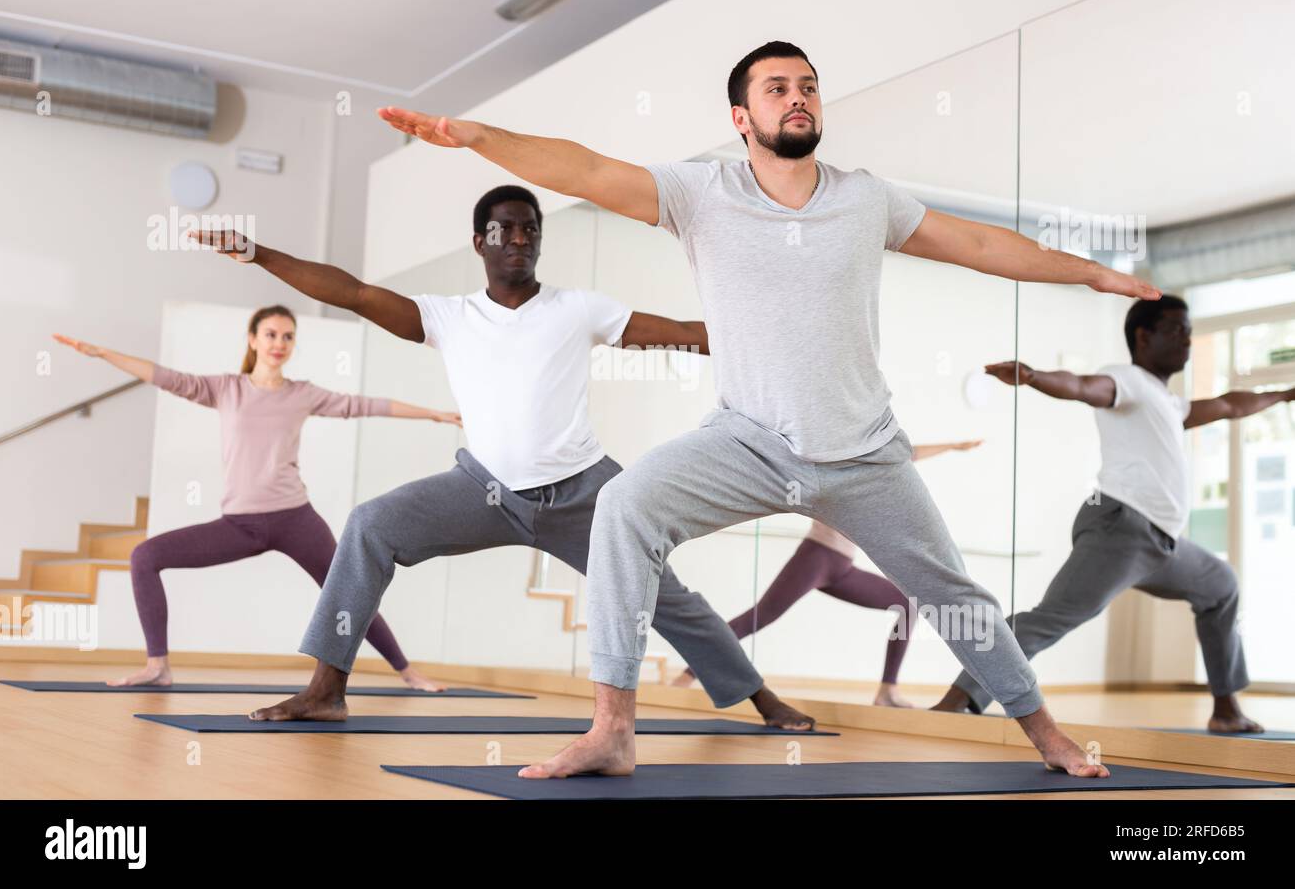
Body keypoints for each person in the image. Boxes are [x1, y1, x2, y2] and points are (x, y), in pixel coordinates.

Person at [375, 39, 1163, 780]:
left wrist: (1091, 274)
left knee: (956, 595)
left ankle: (1047, 734)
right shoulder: (700, 193)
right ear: (741, 118)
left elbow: (985, 247)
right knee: (624, 507)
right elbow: (582, 168)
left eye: (809, 87)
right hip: (746, 442)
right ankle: (612, 730)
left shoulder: (867, 200)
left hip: (864, 451)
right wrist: (480, 137)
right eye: (778, 88)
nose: (799, 98)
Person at [190, 185, 816, 730]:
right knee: (370, 526)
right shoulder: (448, 316)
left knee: (662, 593)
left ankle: (759, 697)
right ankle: (325, 691)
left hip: (584, 495)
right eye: (504, 229)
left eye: (529, 230)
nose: (518, 238)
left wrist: (770, 340)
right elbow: (351, 292)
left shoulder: (579, 309)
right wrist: (258, 253)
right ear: (479, 242)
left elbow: (682, 335)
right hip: (482, 490)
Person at [52, 306, 459, 689]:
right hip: (239, 524)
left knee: (349, 589)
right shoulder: (225, 389)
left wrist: (435, 414)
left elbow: (363, 405)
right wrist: (104, 353)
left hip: (296, 520)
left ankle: (406, 672)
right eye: (270, 334)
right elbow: (167, 378)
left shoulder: (302, 393)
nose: (278, 342)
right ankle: (157, 666)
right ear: (252, 339)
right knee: (144, 557)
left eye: (287, 336)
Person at [934, 296, 1283, 732]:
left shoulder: (1170, 404)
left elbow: (1231, 405)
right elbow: (1083, 386)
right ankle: (959, 698)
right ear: (1143, 336)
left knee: (1220, 585)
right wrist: (1035, 377)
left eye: (1190, 331)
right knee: (1051, 618)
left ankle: (1226, 711)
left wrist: (1285, 394)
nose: (1188, 339)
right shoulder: (1127, 380)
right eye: (1177, 329)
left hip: (1161, 544)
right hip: (1121, 528)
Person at [672, 441, 983, 707]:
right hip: (816, 557)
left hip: (842, 567)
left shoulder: (874, 467)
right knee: (760, 617)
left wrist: (954, 446)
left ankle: (887, 690)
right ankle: (688, 674)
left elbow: (908, 454)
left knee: (906, 604)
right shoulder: (831, 464)